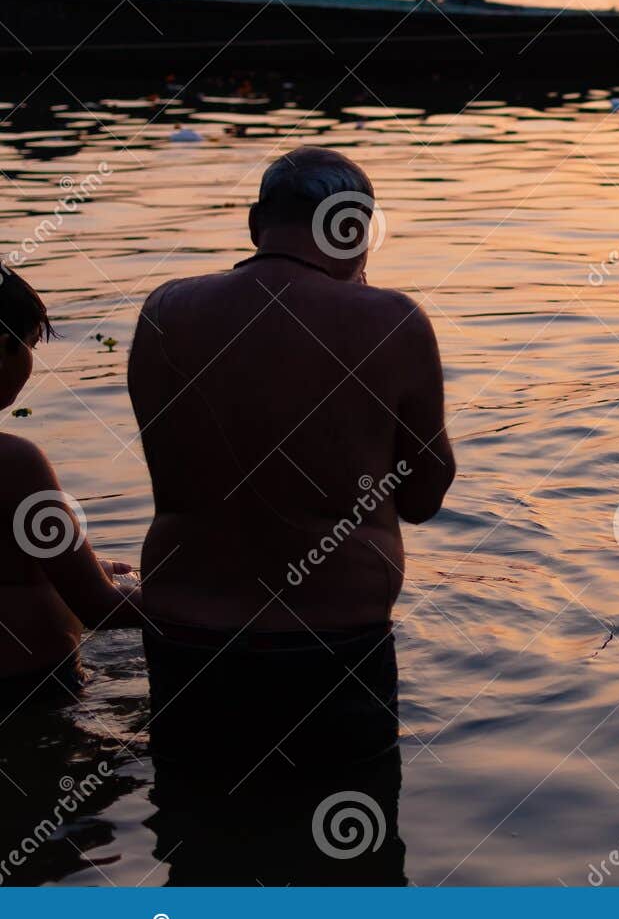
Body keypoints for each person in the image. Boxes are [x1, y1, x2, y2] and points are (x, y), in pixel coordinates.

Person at [127, 147, 456, 772]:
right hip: (331, 641)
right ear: (355, 232)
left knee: (195, 830)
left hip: (186, 636)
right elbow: (423, 498)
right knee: (351, 848)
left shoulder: (164, 311)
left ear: (256, 226)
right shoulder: (390, 319)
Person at [0, 268, 143, 698]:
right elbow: (99, 607)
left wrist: (75, 571)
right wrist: (212, 592)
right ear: (3, 348)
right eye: (30, 345)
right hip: (32, 693)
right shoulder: (15, 462)